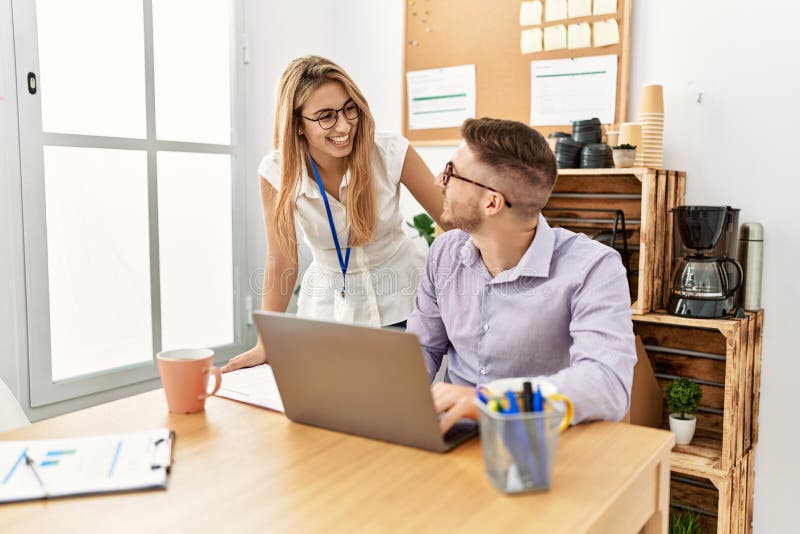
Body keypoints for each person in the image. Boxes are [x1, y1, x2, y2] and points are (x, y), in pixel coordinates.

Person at [406, 118, 637, 433]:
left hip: (539, 441)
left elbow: (607, 384)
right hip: (453, 433)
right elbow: (423, 348)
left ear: (492, 202)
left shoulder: (594, 268)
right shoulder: (444, 252)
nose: (438, 181)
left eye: (451, 172)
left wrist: (493, 402)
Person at [223, 56, 445, 373]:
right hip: (328, 310)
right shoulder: (276, 171)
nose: (343, 126)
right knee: (327, 398)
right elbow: (282, 259)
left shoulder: (390, 151)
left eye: (348, 109)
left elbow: (452, 218)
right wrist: (265, 342)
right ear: (297, 124)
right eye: (325, 116)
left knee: (393, 399)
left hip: (402, 301)